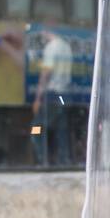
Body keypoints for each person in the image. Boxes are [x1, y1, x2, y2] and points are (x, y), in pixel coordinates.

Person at [33, 23, 75, 166]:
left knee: (37, 128)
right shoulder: (66, 47)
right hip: (64, 95)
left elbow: (46, 73)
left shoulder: (51, 48)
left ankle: (42, 159)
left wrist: (38, 97)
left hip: (53, 95)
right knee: (61, 129)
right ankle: (64, 160)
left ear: (46, 31)